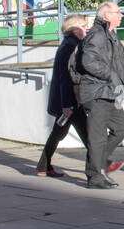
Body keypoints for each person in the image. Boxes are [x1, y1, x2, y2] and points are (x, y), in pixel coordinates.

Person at [74, 0, 124, 190]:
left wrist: (121, 87)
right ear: (107, 15)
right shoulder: (97, 34)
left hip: (110, 92)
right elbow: (88, 61)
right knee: (97, 137)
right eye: (117, 12)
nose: (121, 15)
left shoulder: (110, 34)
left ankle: (99, 161)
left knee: (122, 128)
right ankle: (95, 177)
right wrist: (112, 76)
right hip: (97, 92)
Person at [36, 13, 91, 178]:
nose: (86, 28)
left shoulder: (68, 44)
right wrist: (66, 104)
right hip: (70, 102)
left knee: (59, 133)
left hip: (67, 102)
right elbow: (65, 77)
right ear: (74, 30)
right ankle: (103, 165)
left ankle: (43, 166)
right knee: (89, 136)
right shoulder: (70, 47)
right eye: (83, 26)